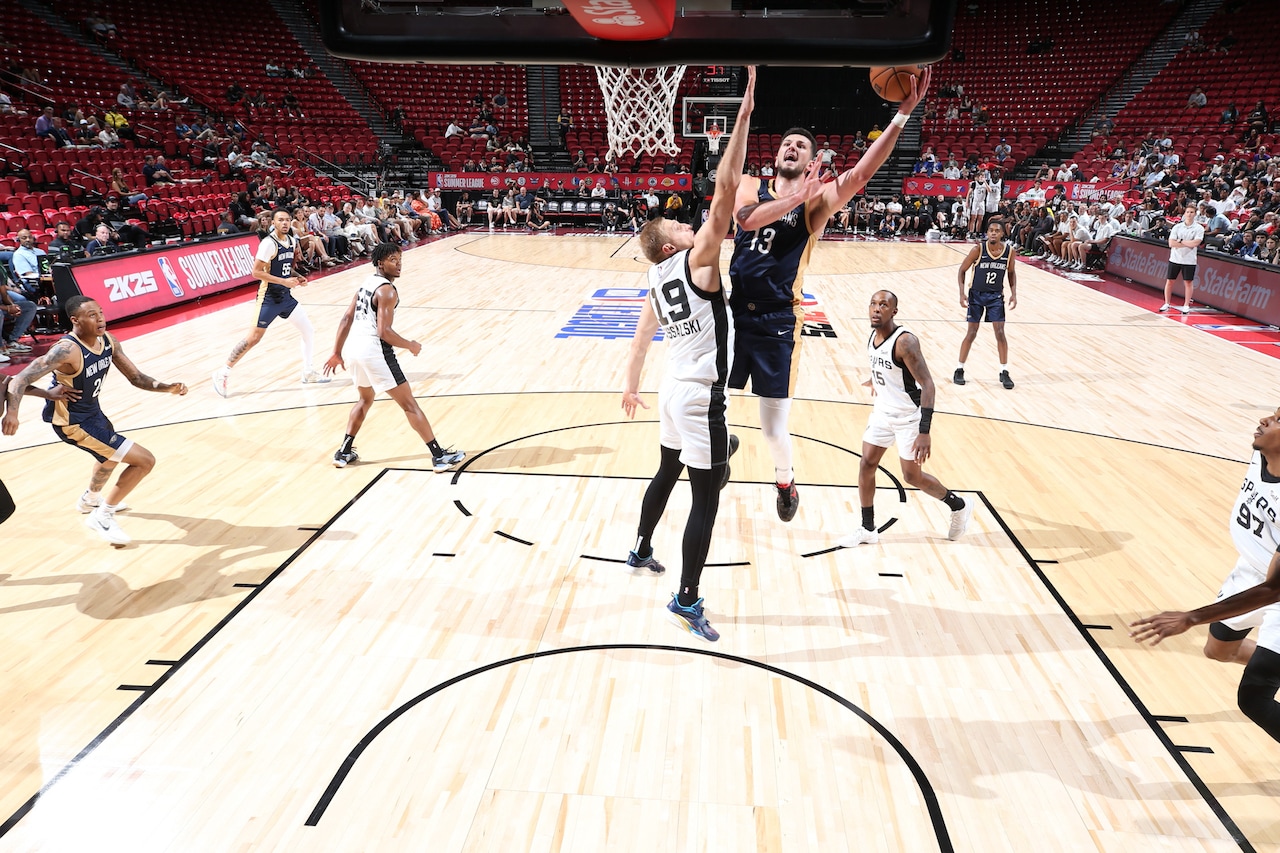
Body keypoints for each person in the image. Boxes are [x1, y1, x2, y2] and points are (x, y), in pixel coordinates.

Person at [728, 67, 931, 523]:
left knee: (773, 428)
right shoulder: (750, 186)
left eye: (801, 146)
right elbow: (745, 221)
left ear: (811, 159)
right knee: (705, 395)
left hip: (778, 322)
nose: (791, 147)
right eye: (786, 143)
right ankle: (719, 447)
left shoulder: (818, 204)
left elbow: (860, 175)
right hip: (734, 314)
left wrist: (901, 116)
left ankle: (785, 481)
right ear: (776, 154)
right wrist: (798, 196)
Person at [621, 69, 755, 644]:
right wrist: (745, 114)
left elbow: (641, 337)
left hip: (673, 392)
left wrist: (630, 384)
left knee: (668, 468)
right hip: (700, 393)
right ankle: (686, 597)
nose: (686, 221)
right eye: (678, 223)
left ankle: (640, 547)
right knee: (708, 493)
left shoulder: (655, 277)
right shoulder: (698, 260)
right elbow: (726, 191)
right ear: (676, 243)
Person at [1130, 407, 1280, 745]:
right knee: (1217, 651)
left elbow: (1274, 590)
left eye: (1278, 421)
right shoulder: (1262, 454)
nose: (1264, 420)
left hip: (1274, 588)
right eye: (1272, 414)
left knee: (1254, 699)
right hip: (1250, 574)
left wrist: (1191, 616)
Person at [1, 295, 188, 546]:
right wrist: (12, 413)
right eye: (92, 315)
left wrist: (166, 388)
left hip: (93, 413)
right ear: (75, 320)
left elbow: (136, 378)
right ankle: (103, 516)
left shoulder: (108, 341)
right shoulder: (66, 350)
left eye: (100, 312)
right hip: (72, 422)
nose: (100, 318)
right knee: (144, 461)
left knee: (108, 456)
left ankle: (90, 499)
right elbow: (18, 379)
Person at [837, 290, 973, 548]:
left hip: (909, 418)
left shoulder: (905, 342)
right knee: (866, 464)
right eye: (873, 303)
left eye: (883, 305)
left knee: (912, 476)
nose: (876, 309)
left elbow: (928, 384)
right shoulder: (873, 336)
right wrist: (877, 380)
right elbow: (886, 367)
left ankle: (958, 505)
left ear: (894, 311)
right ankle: (867, 528)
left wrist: (925, 431)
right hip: (882, 412)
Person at [322, 243, 466, 473]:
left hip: (353, 350)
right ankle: (439, 457)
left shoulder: (364, 285)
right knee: (409, 405)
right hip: (373, 349)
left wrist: (337, 352)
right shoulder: (387, 290)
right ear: (380, 263)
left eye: (399, 259)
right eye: (392, 259)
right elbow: (384, 332)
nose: (398, 264)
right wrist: (411, 345)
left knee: (364, 399)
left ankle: (344, 452)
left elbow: (346, 319)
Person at [211, 209, 329, 397]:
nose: (284, 223)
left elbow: (284, 268)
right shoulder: (268, 243)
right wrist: (284, 282)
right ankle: (222, 372)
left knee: (308, 330)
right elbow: (256, 272)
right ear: (273, 223)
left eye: (287, 220)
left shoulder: (291, 240)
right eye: (280, 220)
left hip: (286, 297)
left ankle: (308, 372)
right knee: (253, 339)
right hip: (269, 298)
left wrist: (299, 277)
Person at [954, 220, 1018, 389]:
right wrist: (961, 293)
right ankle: (959, 369)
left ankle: (1004, 371)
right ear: (987, 233)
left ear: (1002, 234)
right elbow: (962, 270)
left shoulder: (1009, 251)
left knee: (1000, 333)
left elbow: (1011, 273)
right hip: (976, 295)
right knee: (972, 333)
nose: (993, 233)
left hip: (996, 296)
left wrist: (1014, 293)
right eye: (991, 230)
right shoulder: (978, 249)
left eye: (997, 231)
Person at [1162, 204, 1204, 313]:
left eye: (1192, 212)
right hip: (1175, 259)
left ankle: (1186, 305)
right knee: (1170, 281)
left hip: (1189, 260)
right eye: (1187, 212)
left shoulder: (1199, 228)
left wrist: (1180, 241)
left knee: (1188, 282)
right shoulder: (1177, 227)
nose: (1189, 214)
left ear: (1195, 214)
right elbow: (1171, 243)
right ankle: (1166, 303)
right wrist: (1187, 243)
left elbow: (1196, 243)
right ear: (1184, 213)